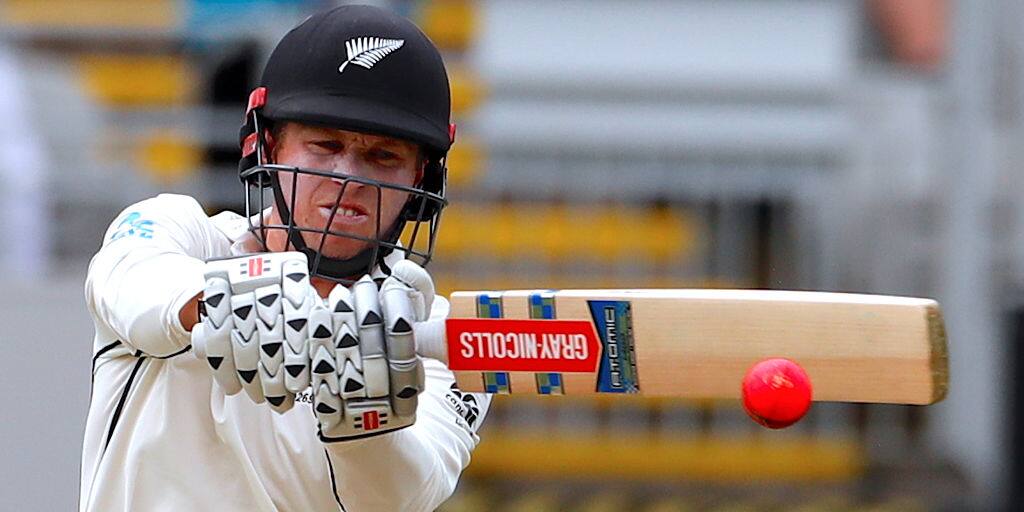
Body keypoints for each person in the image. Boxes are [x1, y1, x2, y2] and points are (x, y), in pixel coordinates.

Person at [79, 5, 489, 511]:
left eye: (383, 156)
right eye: (324, 145)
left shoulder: (430, 333)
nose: (348, 178)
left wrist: (366, 407)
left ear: (420, 180)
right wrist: (223, 305)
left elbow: (405, 493)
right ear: (268, 145)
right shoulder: (184, 236)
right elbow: (125, 281)